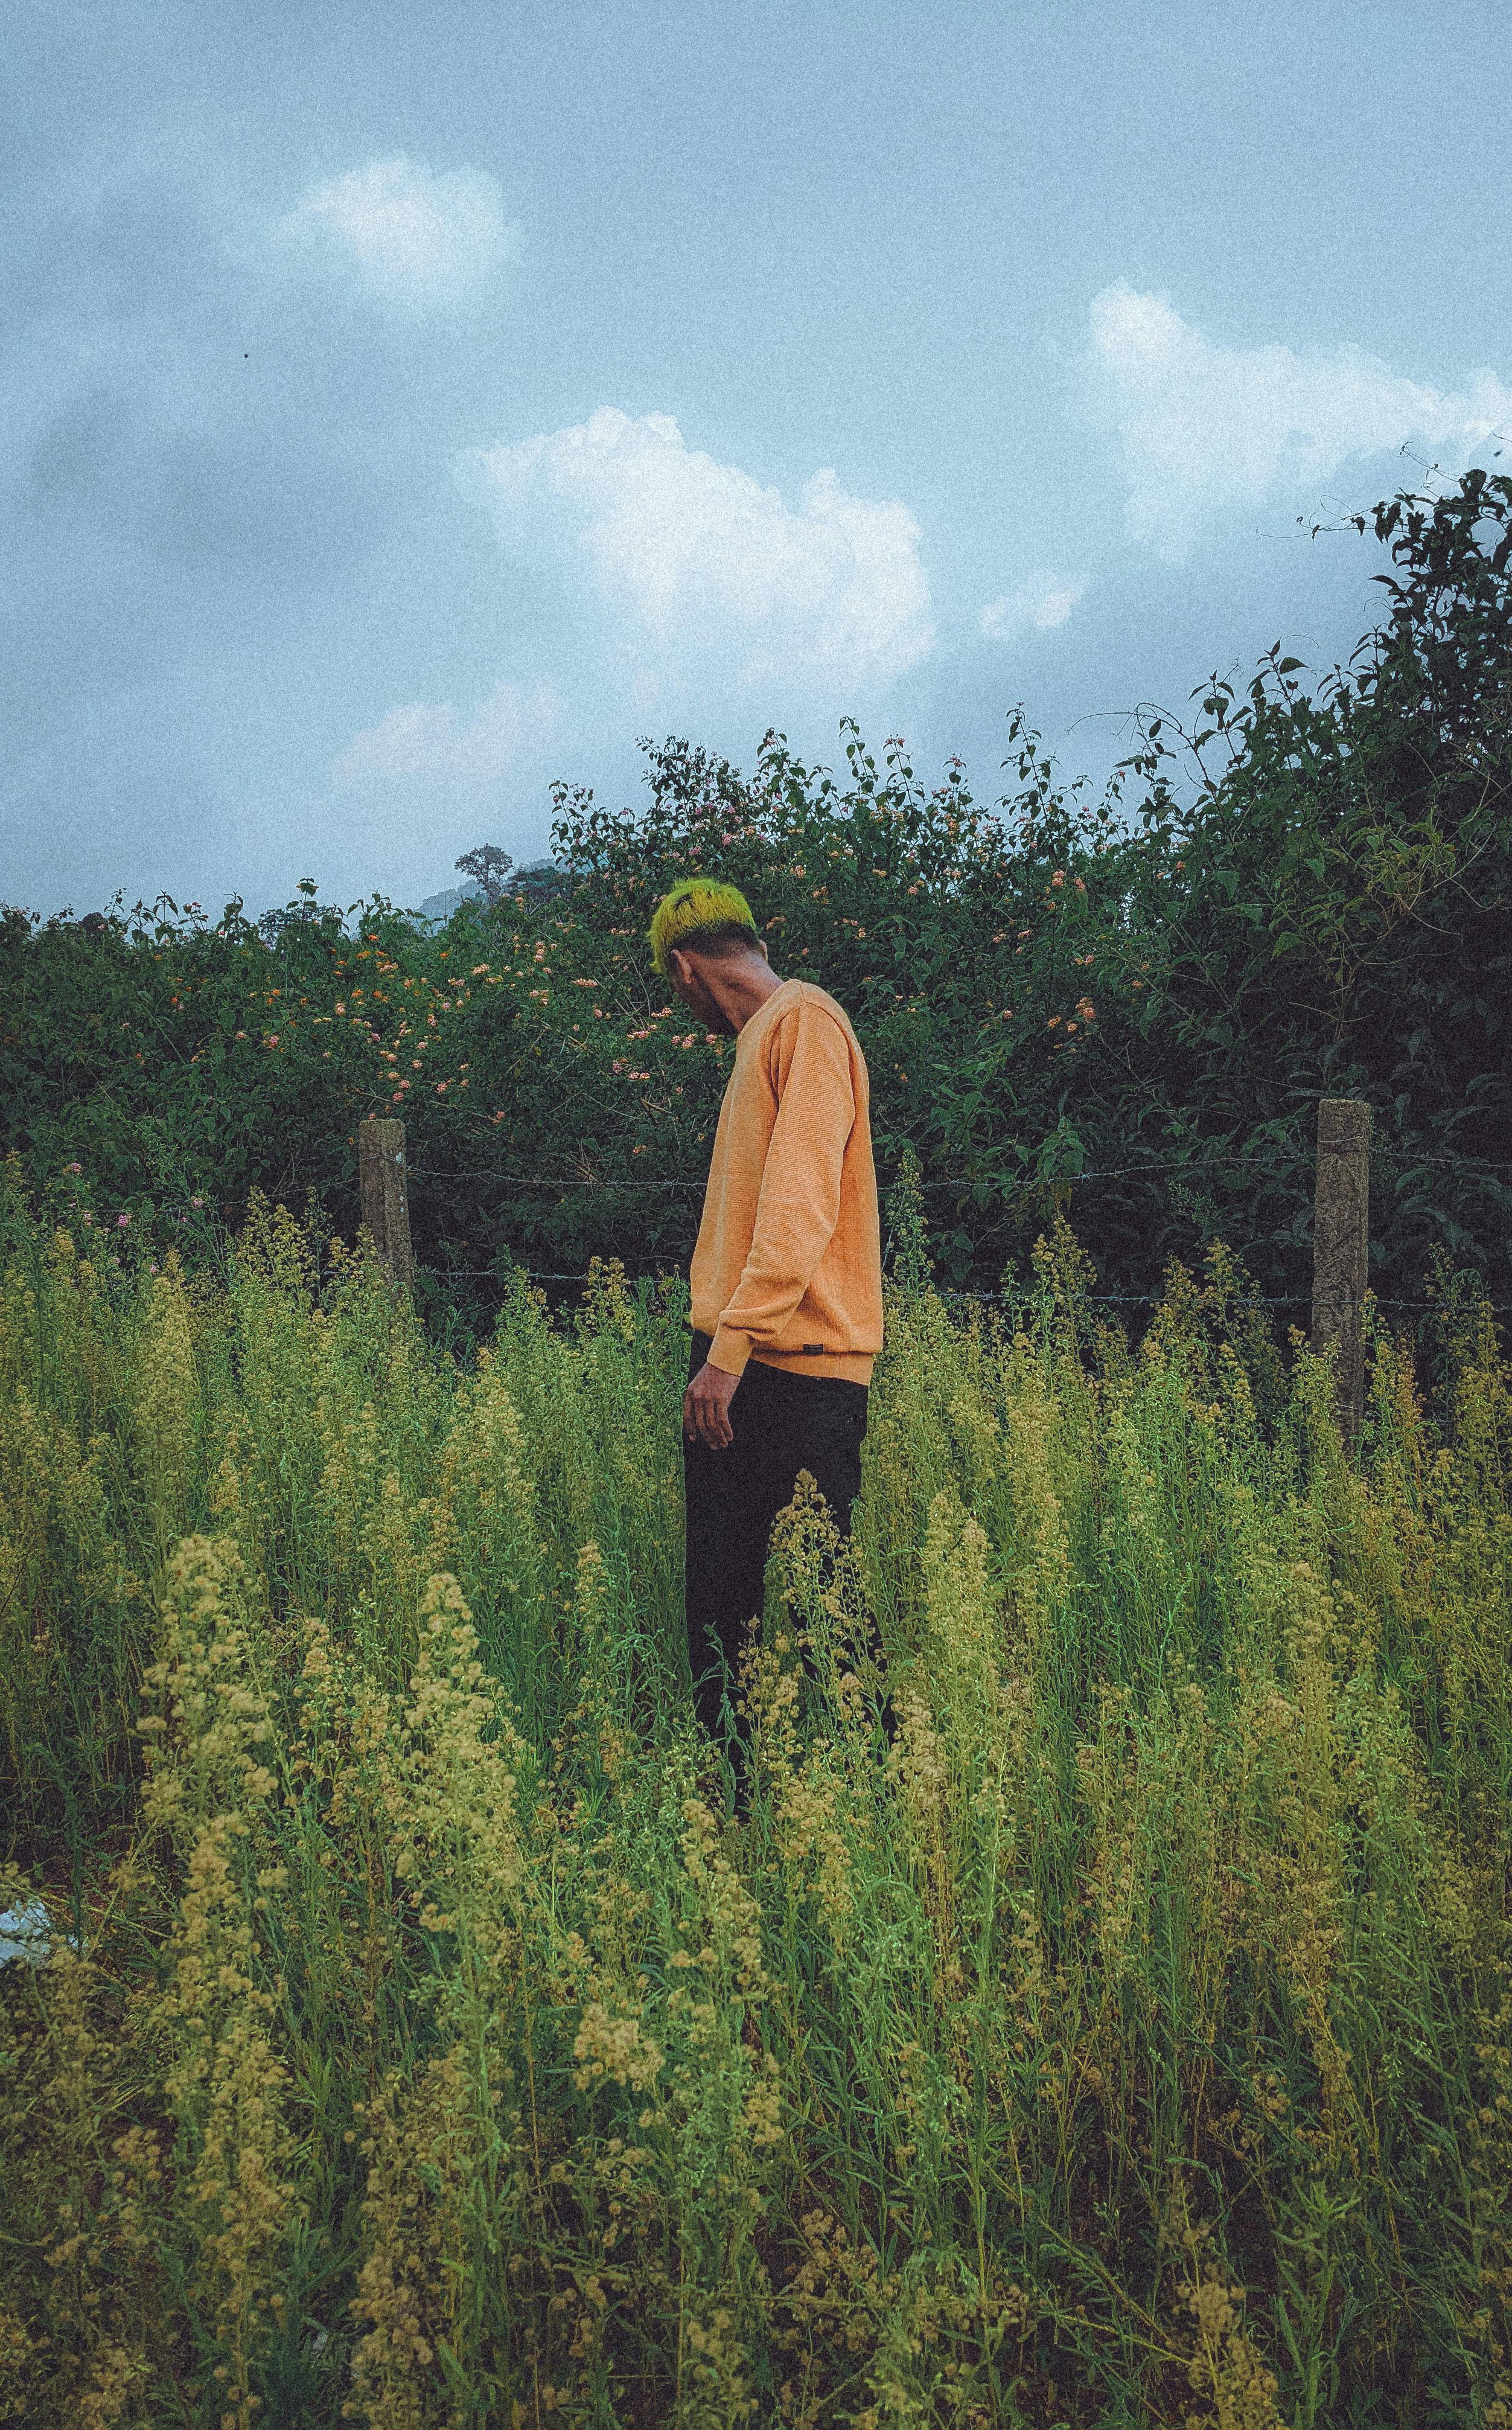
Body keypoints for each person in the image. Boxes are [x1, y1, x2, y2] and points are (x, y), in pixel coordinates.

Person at [648, 878, 885, 1769]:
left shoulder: (804, 1022)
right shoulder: (763, 1041)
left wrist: (729, 1353)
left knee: (823, 1605)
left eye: (676, 990)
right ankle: (730, 1812)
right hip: (743, 1360)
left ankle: (885, 1798)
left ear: (686, 966)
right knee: (719, 1604)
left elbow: (797, 1206)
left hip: (795, 1368)